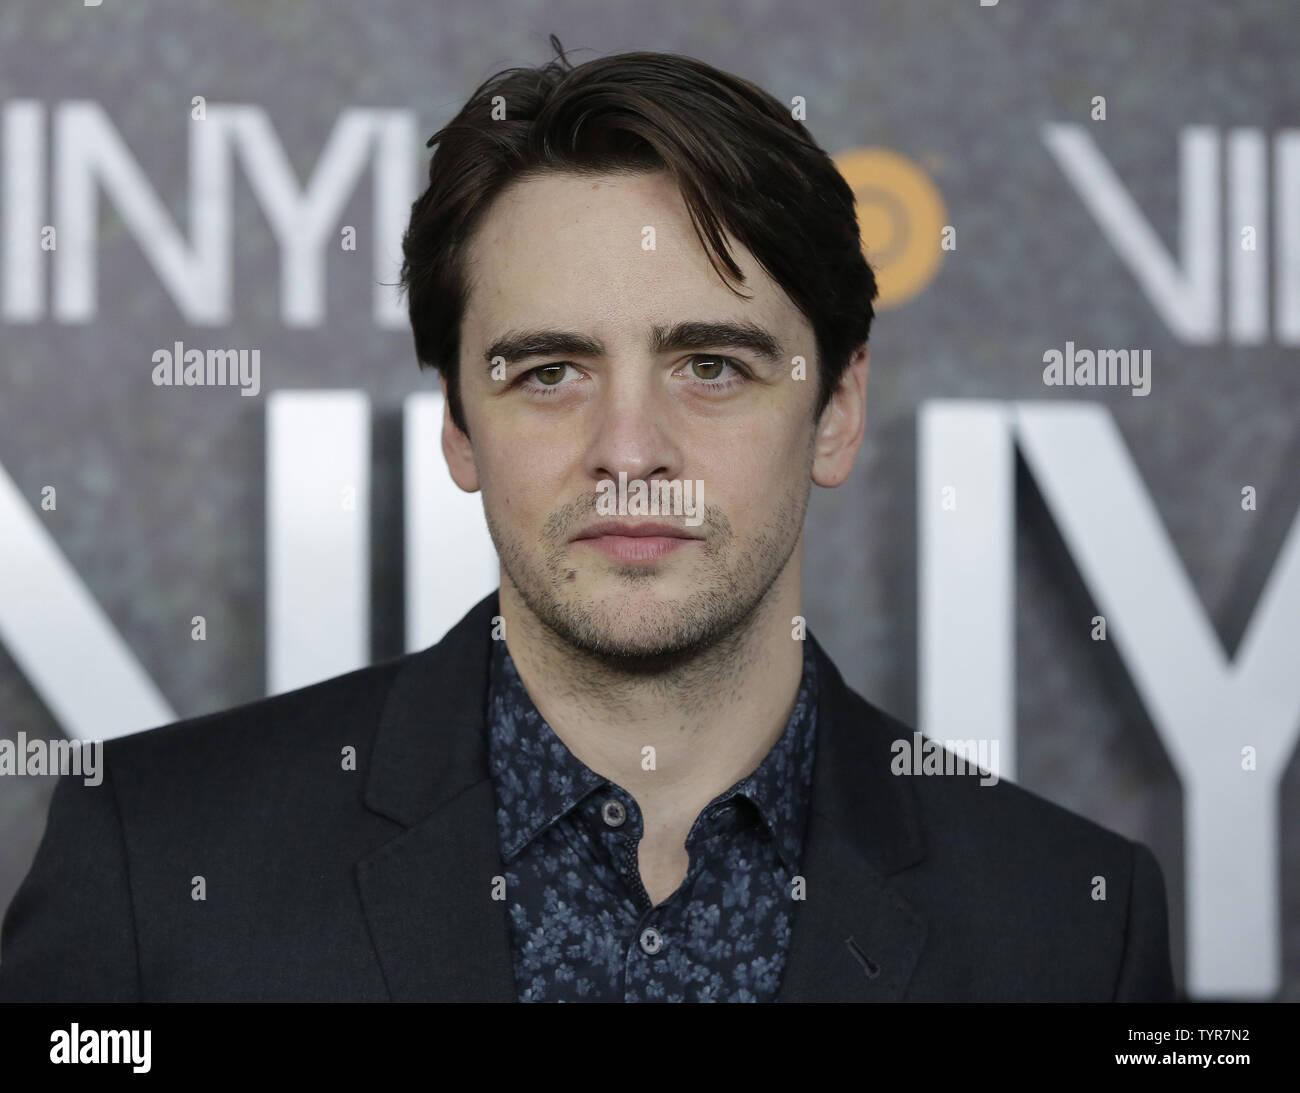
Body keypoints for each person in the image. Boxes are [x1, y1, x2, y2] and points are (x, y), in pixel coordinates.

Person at [0, 35, 1174, 1002]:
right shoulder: (155, 864)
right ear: (458, 425)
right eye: (549, 372)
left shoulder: (1073, 927)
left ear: (835, 409)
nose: (629, 449)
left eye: (710, 365)